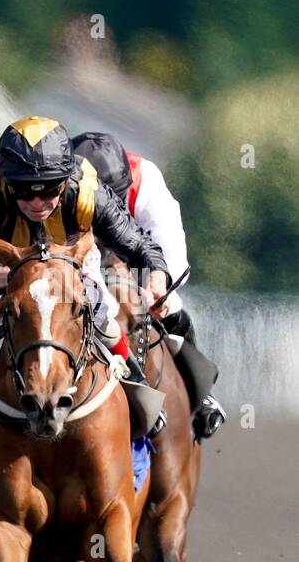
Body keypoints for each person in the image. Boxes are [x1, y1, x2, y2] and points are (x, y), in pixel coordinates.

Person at [0, 116, 171, 446]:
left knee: (103, 318)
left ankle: (135, 387)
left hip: (73, 260)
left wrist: (157, 274)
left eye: (50, 191)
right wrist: (5, 277)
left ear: (65, 180)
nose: (37, 203)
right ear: (7, 183)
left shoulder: (87, 190)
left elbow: (139, 244)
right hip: (10, 266)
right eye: (24, 192)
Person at [71, 131, 225, 440]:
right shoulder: (60, 189)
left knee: (173, 308)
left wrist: (158, 288)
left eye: (117, 197)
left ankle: (199, 393)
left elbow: (172, 253)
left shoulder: (147, 184)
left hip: (136, 254)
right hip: (81, 253)